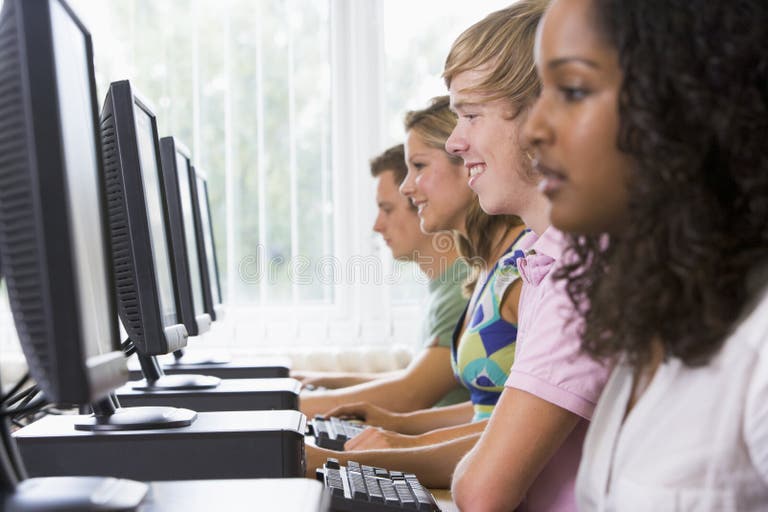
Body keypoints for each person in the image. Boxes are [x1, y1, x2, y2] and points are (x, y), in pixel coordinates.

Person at [524, 0, 768, 509]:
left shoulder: (758, 342)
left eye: (572, 90)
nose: (535, 128)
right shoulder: (654, 320)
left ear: (683, 104)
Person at [306, 97, 525, 488]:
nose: (409, 187)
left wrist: (341, 457)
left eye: (419, 167)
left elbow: (516, 427)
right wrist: (399, 428)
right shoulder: (486, 272)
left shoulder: (524, 269)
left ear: (467, 163)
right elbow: (488, 412)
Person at [443, 2, 610, 510]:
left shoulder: (578, 269)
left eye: (470, 114)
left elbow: (481, 492)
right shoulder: (543, 260)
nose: (454, 142)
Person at [298, 144, 470, 419]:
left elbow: (410, 393)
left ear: (421, 201)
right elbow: (411, 377)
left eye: (387, 209)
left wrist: (284, 407)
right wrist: (323, 380)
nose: (377, 225)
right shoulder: (443, 286)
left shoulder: (462, 288)